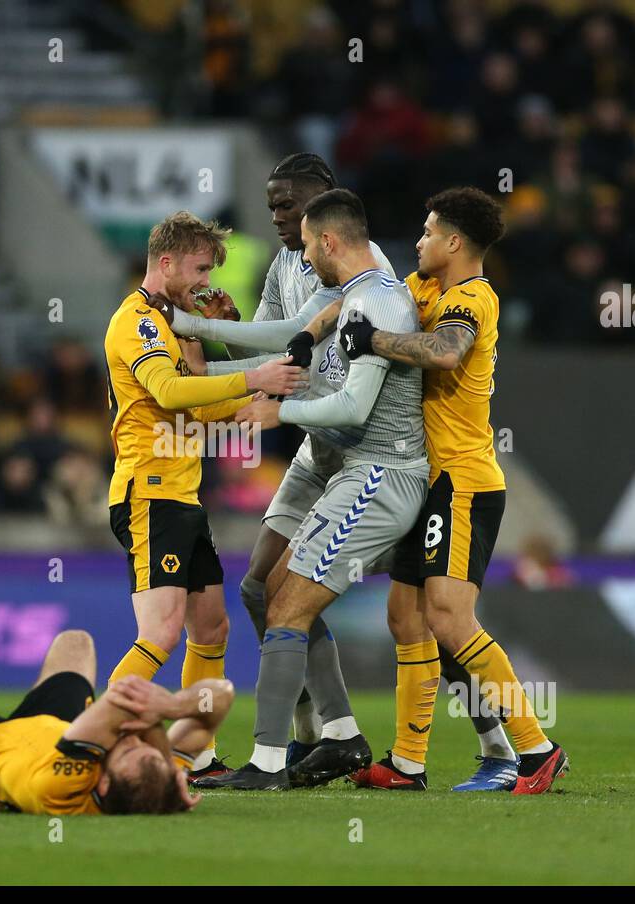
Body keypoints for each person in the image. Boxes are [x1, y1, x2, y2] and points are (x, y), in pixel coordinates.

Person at [160, 153, 394, 769]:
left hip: (367, 453)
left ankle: (355, 743)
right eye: (270, 205)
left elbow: (297, 349)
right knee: (258, 588)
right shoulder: (284, 263)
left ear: (325, 200)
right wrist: (212, 353)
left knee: (423, 615)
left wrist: (190, 334)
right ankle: (326, 731)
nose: (277, 217)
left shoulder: (359, 273)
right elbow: (272, 352)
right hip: (320, 449)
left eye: (287, 203)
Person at [340, 188, 569, 793]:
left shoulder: (474, 299)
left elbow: (444, 352)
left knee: (449, 616)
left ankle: (535, 748)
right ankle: (408, 762)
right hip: (427, 478)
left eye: (426, 231)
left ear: (454, 243)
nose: (417, 242)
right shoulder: (424, 290)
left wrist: (371, 341)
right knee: (405, 616)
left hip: (463, 481)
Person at [200, 188, 428, 790]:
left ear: (328, 241)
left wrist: (279, 416)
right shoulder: (353, 297)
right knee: (273, 592)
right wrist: (202, 359)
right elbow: (287, 348)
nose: (301, 255)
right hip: (358, 470)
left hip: (380, 474)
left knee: (289, 606)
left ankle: (272, 762)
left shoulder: (374, 303)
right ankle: (327, 738)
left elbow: (353, 408)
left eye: (305, 243)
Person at [103, 210, 303, 779]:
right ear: (165, 262)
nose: (205, 281)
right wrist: (252, 380)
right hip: (149, 493)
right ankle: (96, 741)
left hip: (183, 497)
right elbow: (167, 393)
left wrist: (259, 391)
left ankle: (193, 753)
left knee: (211, 627)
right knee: (161, 632)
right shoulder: (136, 321)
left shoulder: (174, 325)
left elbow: (198, 407)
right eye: (198, 268)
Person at [0, 609, 234, 815]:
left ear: (103, 782)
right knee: (75, 642)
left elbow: (121, 699)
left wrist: (161, 715)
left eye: (127, 748)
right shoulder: (148, 776)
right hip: (47, 730)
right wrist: (172, 721)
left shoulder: (63, 788)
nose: (131, 739)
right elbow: (222, 696)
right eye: (146, 749)